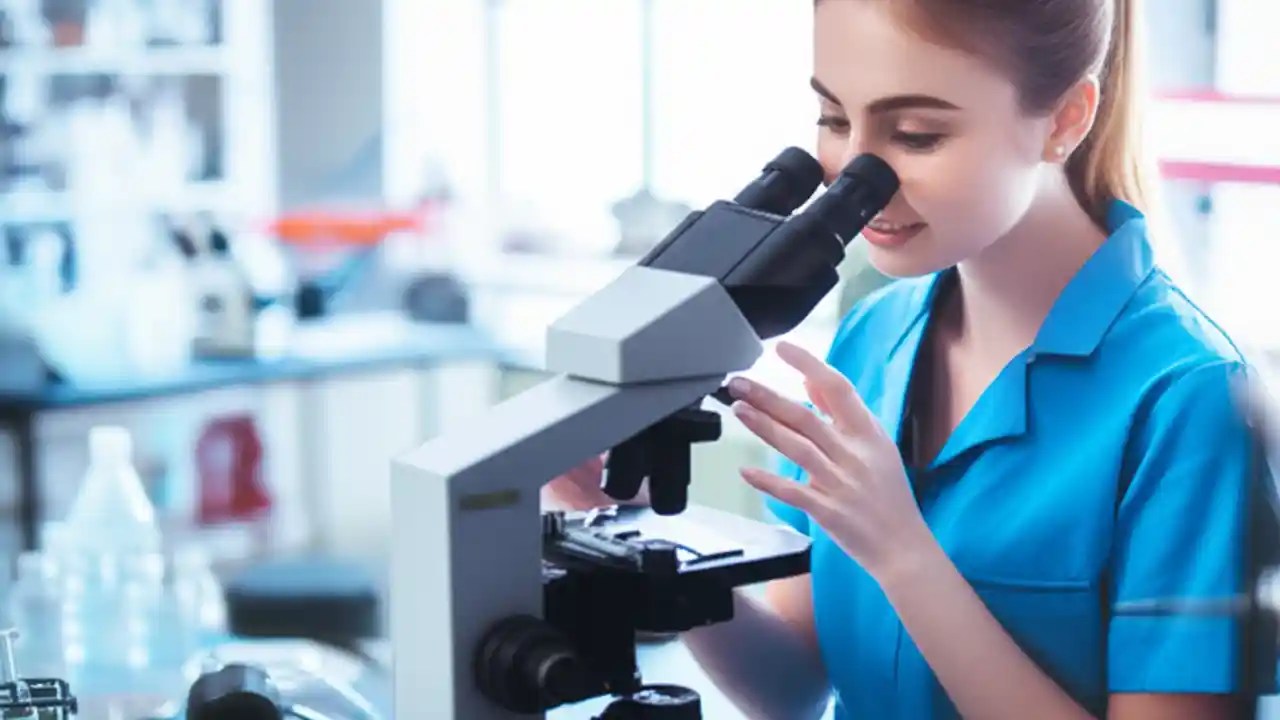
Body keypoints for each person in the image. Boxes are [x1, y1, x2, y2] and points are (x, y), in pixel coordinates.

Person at [544, 0, 1268, 718]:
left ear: (1064, 120)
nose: (851, 177)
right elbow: (792, 688)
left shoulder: (1191, 398)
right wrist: (643, 531)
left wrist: (903, 553)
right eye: (833, 120)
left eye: (916, 135)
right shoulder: (871, 335)